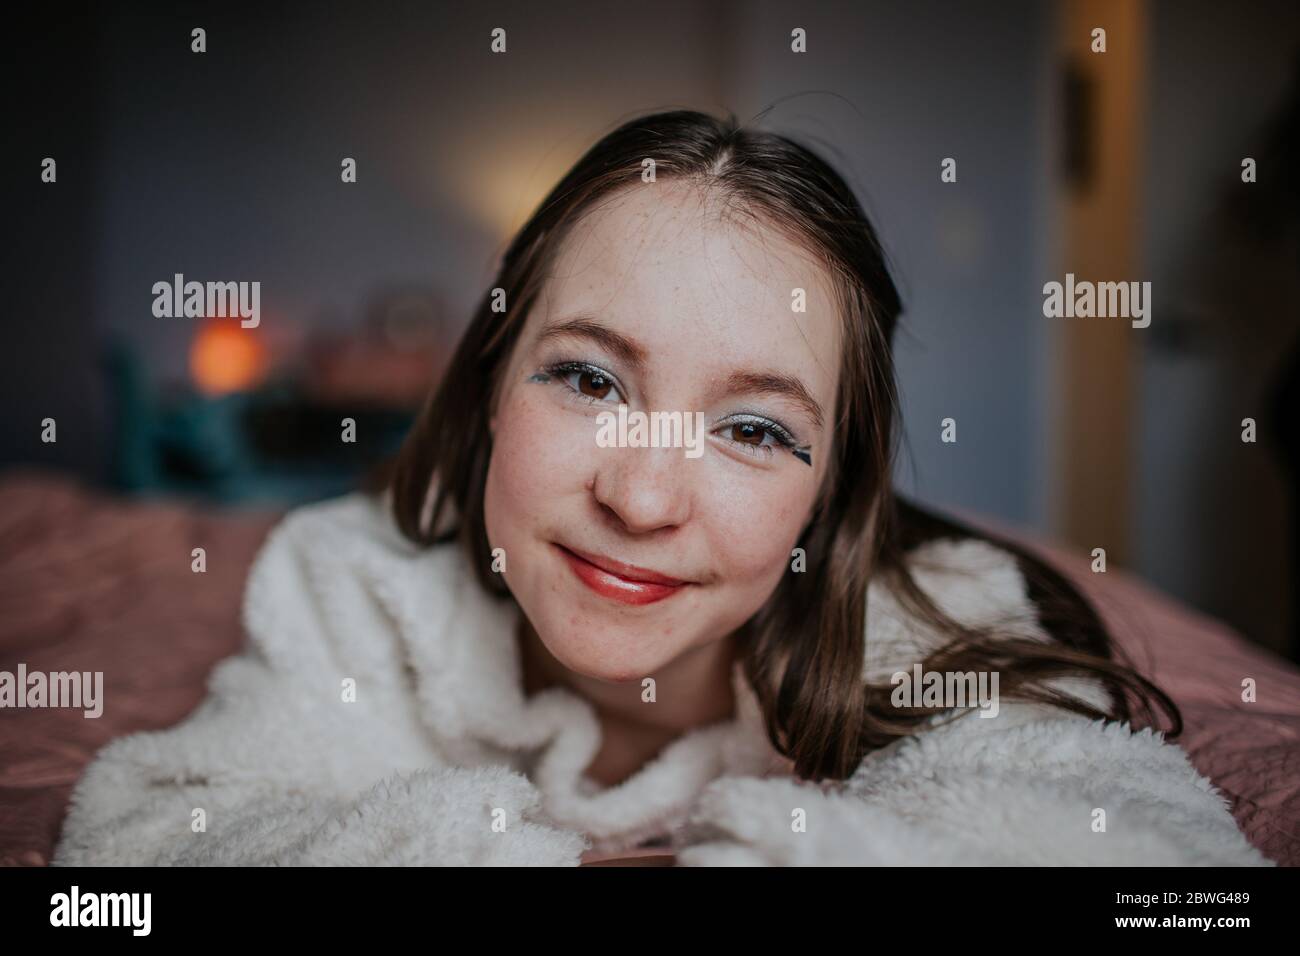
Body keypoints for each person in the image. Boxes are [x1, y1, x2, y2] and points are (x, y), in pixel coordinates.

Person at [53, 110, 1271, 866]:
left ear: (829, 491)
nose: (640, 496)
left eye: (750, 429)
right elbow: (145, 842)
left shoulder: (939, 621)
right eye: (586, 377)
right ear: (488, 389)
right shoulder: (358, 587)